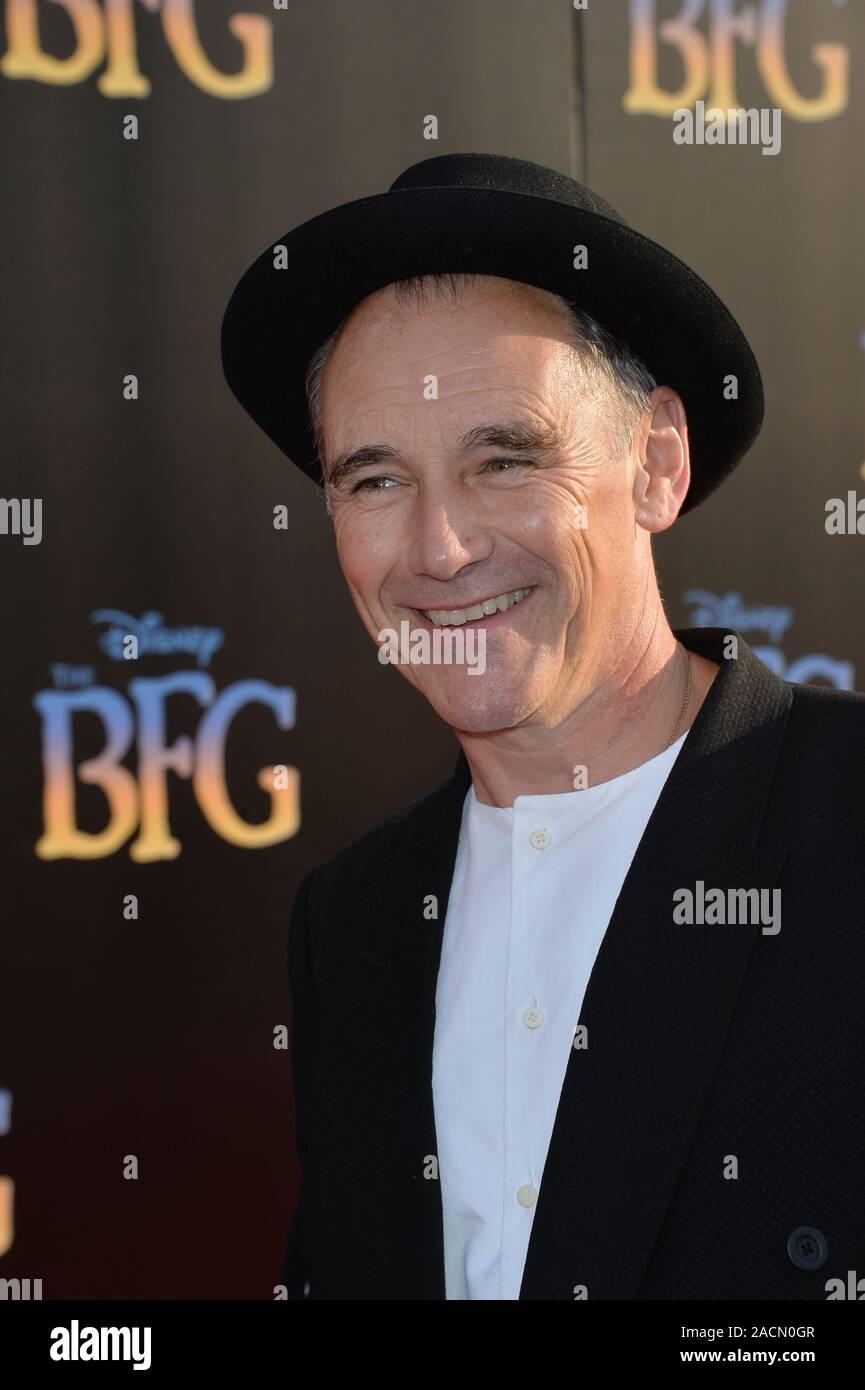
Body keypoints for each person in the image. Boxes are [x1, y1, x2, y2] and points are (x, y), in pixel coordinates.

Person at [221, 153, 865, 1300]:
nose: (439, 549)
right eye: (375, 481)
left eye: (504, 459)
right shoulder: (349, 919)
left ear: (656, 463)